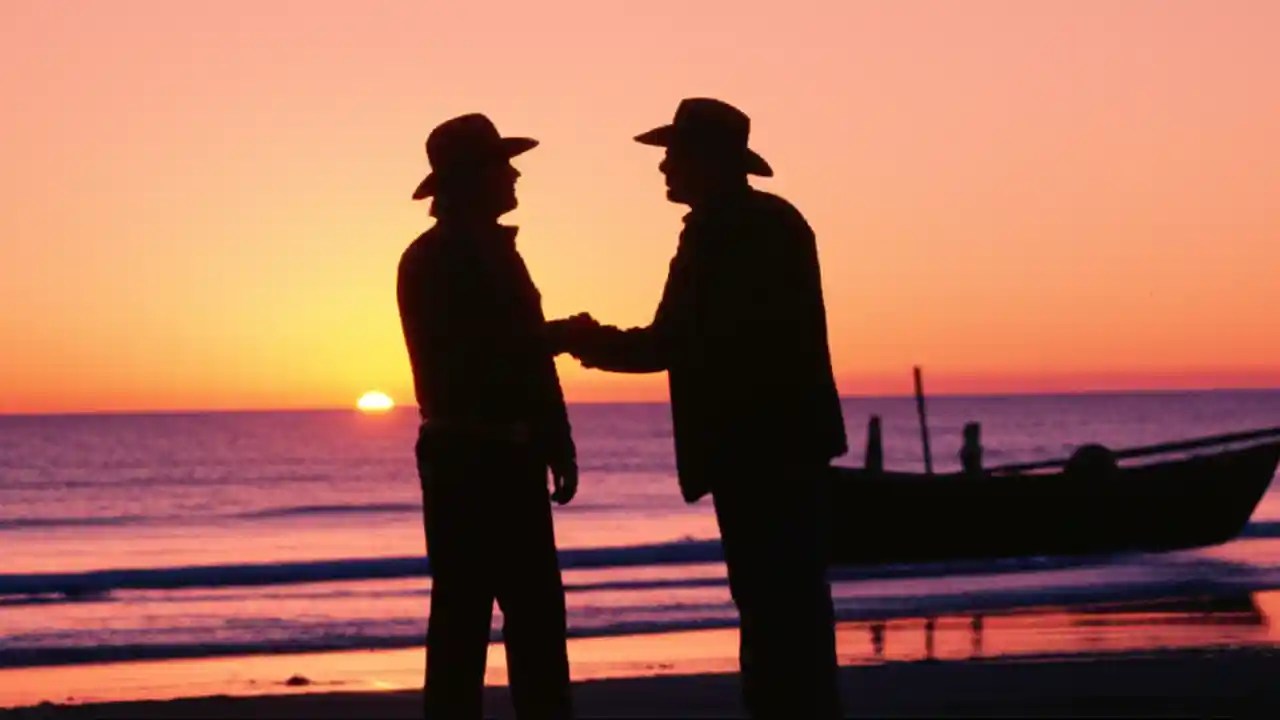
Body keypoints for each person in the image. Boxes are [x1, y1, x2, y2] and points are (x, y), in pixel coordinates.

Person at [556, 98, 847, 719]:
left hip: (755, 449)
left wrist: (583, 339)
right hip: (788, 443)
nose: (663, 167)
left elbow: (669, 342)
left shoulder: (721, 231)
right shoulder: (773, 221)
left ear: (706, 162)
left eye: (673, 155)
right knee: (793, 608)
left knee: (772, 611)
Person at [397, 113, 577, 720]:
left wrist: (557, 441)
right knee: (479, 618)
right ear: (474, 179)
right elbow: (490, 353)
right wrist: (558, 337)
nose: (515, 173)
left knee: (511, 616)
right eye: (502, 164)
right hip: (473, 456)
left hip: (495, 452)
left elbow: (519, 355)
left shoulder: (481, 252)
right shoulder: (439, 257)